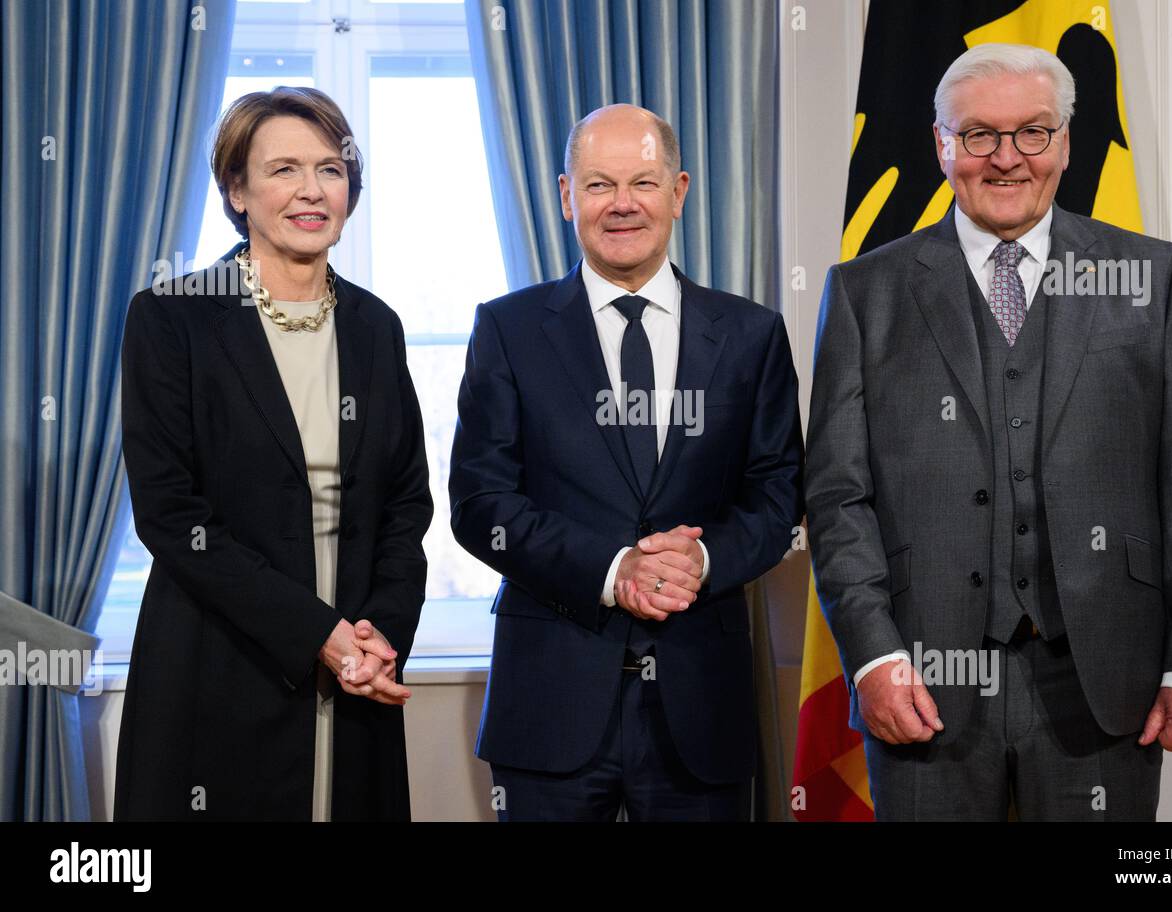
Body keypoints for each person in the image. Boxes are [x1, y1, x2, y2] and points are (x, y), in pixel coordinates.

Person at [806, 43, 1172, 821]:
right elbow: (838, 498)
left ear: (1066, 143)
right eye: (978, 135)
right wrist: (872, 657)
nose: (1006, 159)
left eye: (1032, 133)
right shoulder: (864, 292)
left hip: (1105, 679)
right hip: (921, 678)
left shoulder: (1151, 275)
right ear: (942, 144)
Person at [449, 103, 804, 821]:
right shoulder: (508, 329)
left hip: (703, 701)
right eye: (599, 184)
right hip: (550, 700)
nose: (621, 205)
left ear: (678, 191)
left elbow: (777, 498)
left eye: (642, 183)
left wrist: (696, 566)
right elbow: (481, 505)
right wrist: (615, 571)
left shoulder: (751, 334)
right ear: (565, 196)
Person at [115, 87, 433, 821]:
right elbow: (170, 515)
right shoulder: (171, 317)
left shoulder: (375, 326)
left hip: (358, 675)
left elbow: (406, 504)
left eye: (330, 168)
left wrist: (381, 632)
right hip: (220, 667)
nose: (311, 190)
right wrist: (314, 634)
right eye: (284, 169)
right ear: (237, 188)